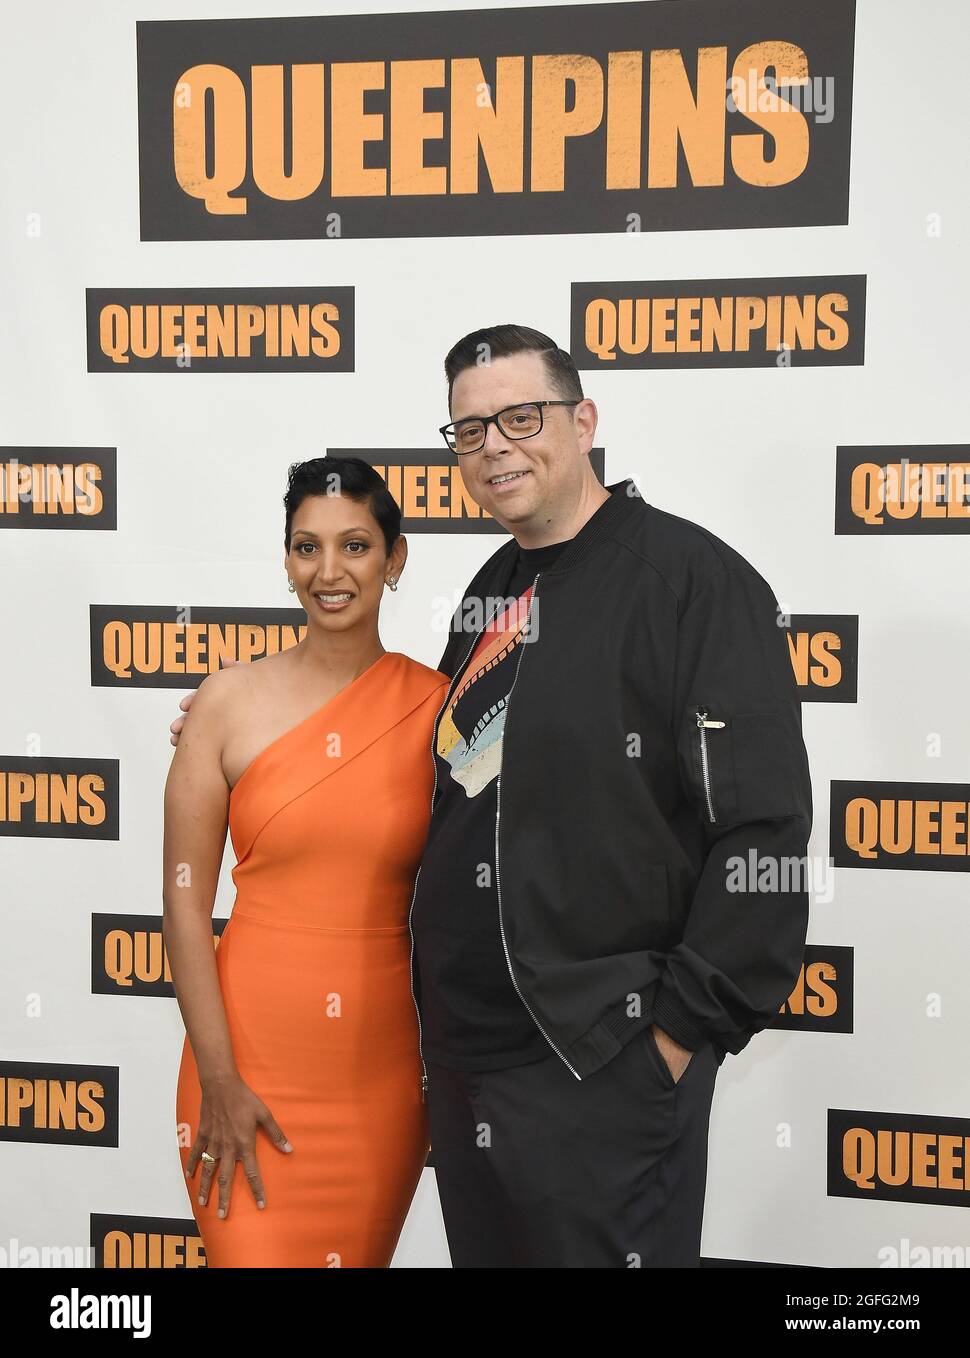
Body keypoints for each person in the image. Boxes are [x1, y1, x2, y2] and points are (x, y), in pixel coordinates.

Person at [171, 325, 813, 1269]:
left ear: (585, 420)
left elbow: (763, 832)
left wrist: (679, 1034)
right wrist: (238, 723)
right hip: (466, 1064)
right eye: (469, 432)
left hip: (602, 1062)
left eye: (521, 417)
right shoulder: (494, 588)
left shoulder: (693, 584)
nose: (493, 447)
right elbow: (424, 769)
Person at [164, 456, 449, 1267]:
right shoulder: (224, 702)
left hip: (379, 1078)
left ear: (395, 561)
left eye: (356, 546)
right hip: (241, 1064)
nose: (329, 572)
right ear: (285, 557)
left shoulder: (440, 710)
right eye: (306, 546)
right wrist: (219, 1083)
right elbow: (185, 904)